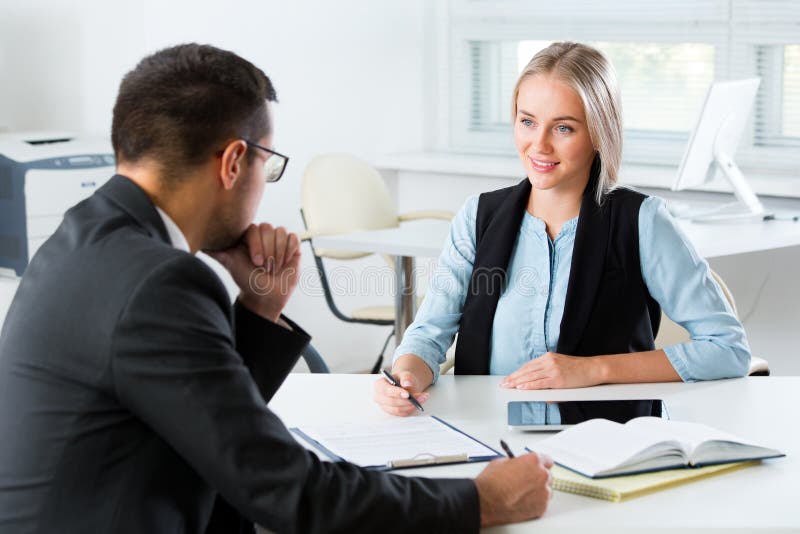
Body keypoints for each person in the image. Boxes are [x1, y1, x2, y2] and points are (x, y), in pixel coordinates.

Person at [0, 44, 553, 533]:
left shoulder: (83, 235)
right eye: (269, 164)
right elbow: (286, 491)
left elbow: (203, 423)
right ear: (235, 162)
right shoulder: (161, 283)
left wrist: (259, 308)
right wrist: (481, 500)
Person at [374, 42, 751, 420]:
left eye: (564, 127)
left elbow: (728, 349)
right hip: (489, 437)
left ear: (599, 132)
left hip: (606, 442)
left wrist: (594, 370)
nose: (539, 145)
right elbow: (428, 335)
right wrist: (405, 375)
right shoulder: (479, 217)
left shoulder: (642, 221)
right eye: (527, 122)